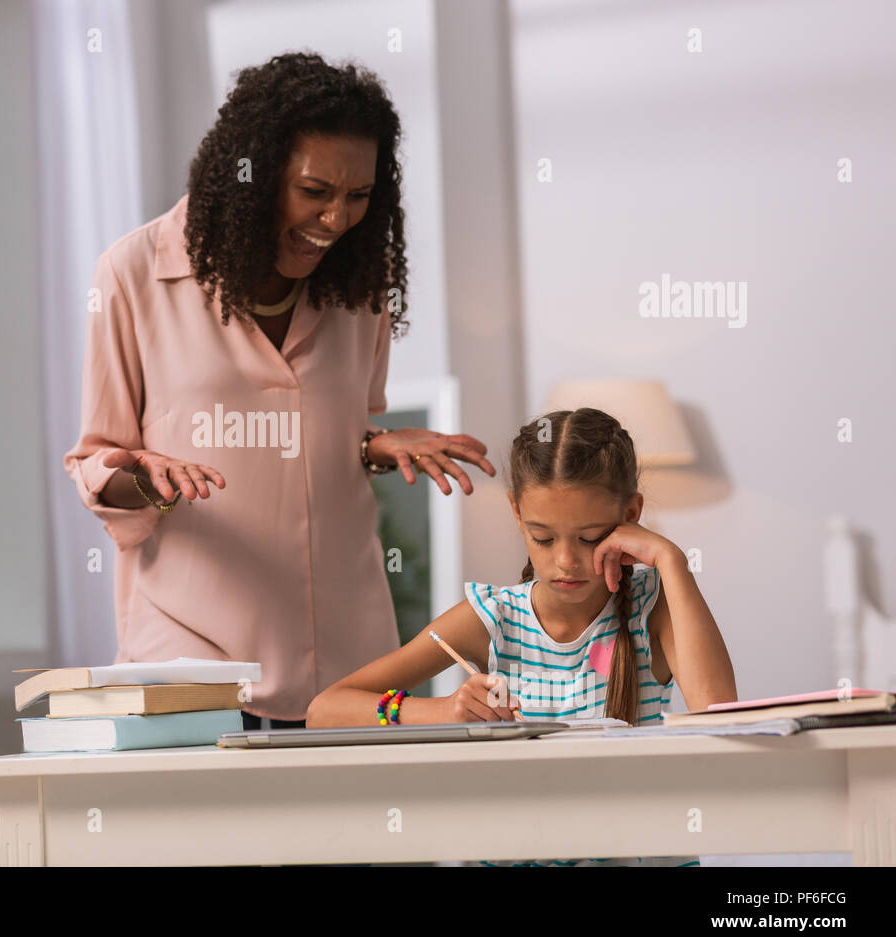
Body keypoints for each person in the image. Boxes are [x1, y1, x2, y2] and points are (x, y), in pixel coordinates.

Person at [63, 52, 494, 729]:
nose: (336, 218)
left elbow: (325, 436)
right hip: (194, 659)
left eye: (358, 197)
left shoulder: (361, 283)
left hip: (349, 668)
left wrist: (378, 445)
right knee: (214, 835)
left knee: (359, 836)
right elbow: (96, 464)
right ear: (253, 176)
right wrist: (145, 475)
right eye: (314, 190)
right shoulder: (132, 274)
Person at [306, 407, 738, 865]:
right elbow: (323, 711)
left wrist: (672, 562)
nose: (566, 561)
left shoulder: (656, 606)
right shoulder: (493, 617)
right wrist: (443, 711)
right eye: (543, 538)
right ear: (516, 513)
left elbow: (720, 713)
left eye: (590, 537)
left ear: (630, 514)